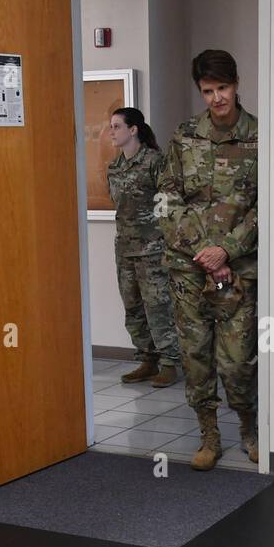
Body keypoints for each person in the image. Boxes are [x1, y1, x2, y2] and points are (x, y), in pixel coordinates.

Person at [156, 49, 260, 470]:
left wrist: (227, 251)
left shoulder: (260, 137)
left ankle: (250, 429)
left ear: (237, 84)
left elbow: (264, 206)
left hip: (237, 273)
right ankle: (208, 435)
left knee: (236, 363)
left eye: (224, 88)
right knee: (196, 358)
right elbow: (164, 199)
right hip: (188, 269)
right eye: (208, 91)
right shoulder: (184, 138)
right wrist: (202, 251)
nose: (217, 98)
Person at [107, 107, 179, 387]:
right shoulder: (114, 167)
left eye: (117, 126)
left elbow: (169, 203)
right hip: (124, 248)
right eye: (111, 127)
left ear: (133, 129)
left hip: (153, 249)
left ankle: (170, 362)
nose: (111, 132)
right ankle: (147, 359)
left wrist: (163, 239)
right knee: (133, 307)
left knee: (158, 306)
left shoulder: (154, 162)